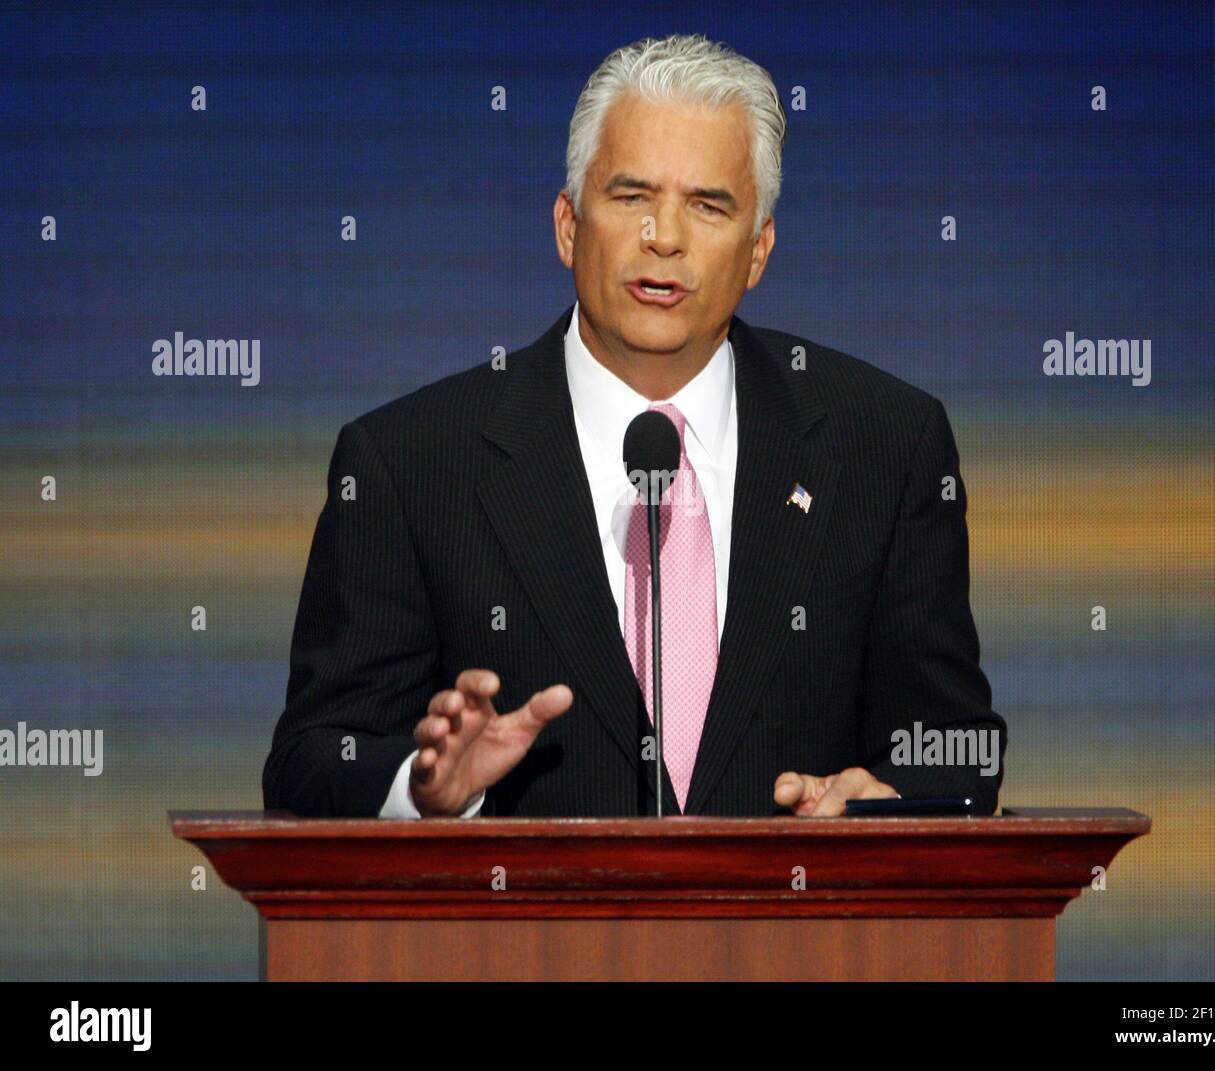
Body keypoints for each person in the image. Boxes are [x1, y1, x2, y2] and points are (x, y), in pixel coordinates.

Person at [263, 33, 1005, 820]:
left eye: (709, 205)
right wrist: (430, 786)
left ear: (758, 251)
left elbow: (954, 746)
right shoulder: (410, 464)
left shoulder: (884, 446)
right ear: (567, 226)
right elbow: (313, 759)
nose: (666, 237)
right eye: (631, 196)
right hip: (522, 942)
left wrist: (883, 799)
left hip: (795, 938)